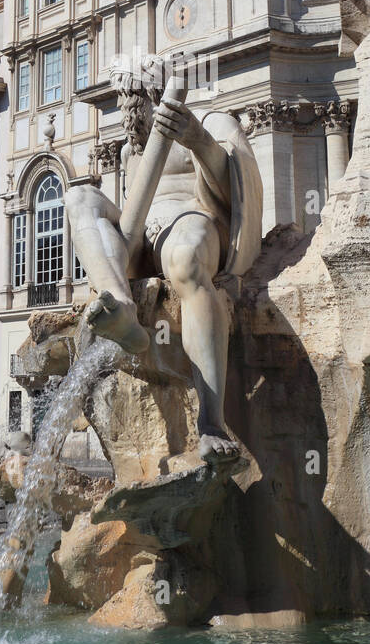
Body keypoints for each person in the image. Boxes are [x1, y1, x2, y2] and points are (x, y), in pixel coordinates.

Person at [65, 54, 262, 463]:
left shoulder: (209, 119)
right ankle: (120, 304)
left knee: (187, 259)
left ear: (155, 94)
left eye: (133, 101)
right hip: (141, 237)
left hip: (192, 218)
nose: (126, 114)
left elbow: (238, 189)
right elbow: (129, 208)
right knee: (78, 197)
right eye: (122, 103)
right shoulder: (130, 148)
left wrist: (198, 140)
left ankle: (211, 423)